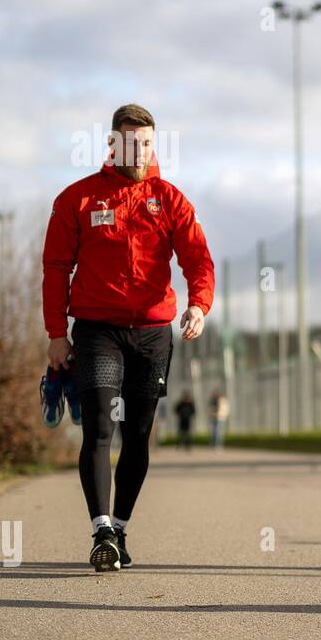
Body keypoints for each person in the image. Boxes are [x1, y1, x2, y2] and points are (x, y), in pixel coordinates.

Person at [42, 103, 214, 572]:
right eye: (128, 142)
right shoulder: (77, 199)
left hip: (154, 335)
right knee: (99, 427)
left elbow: (198, 261)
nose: (137, 151)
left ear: (153, 146)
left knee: (137, 436)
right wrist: (57, 334)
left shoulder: (171, 200)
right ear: (112, 144)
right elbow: (56, 267)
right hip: (98, 330)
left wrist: (199, 303)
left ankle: (119, 527)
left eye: (146, 143)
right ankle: (100, 530)